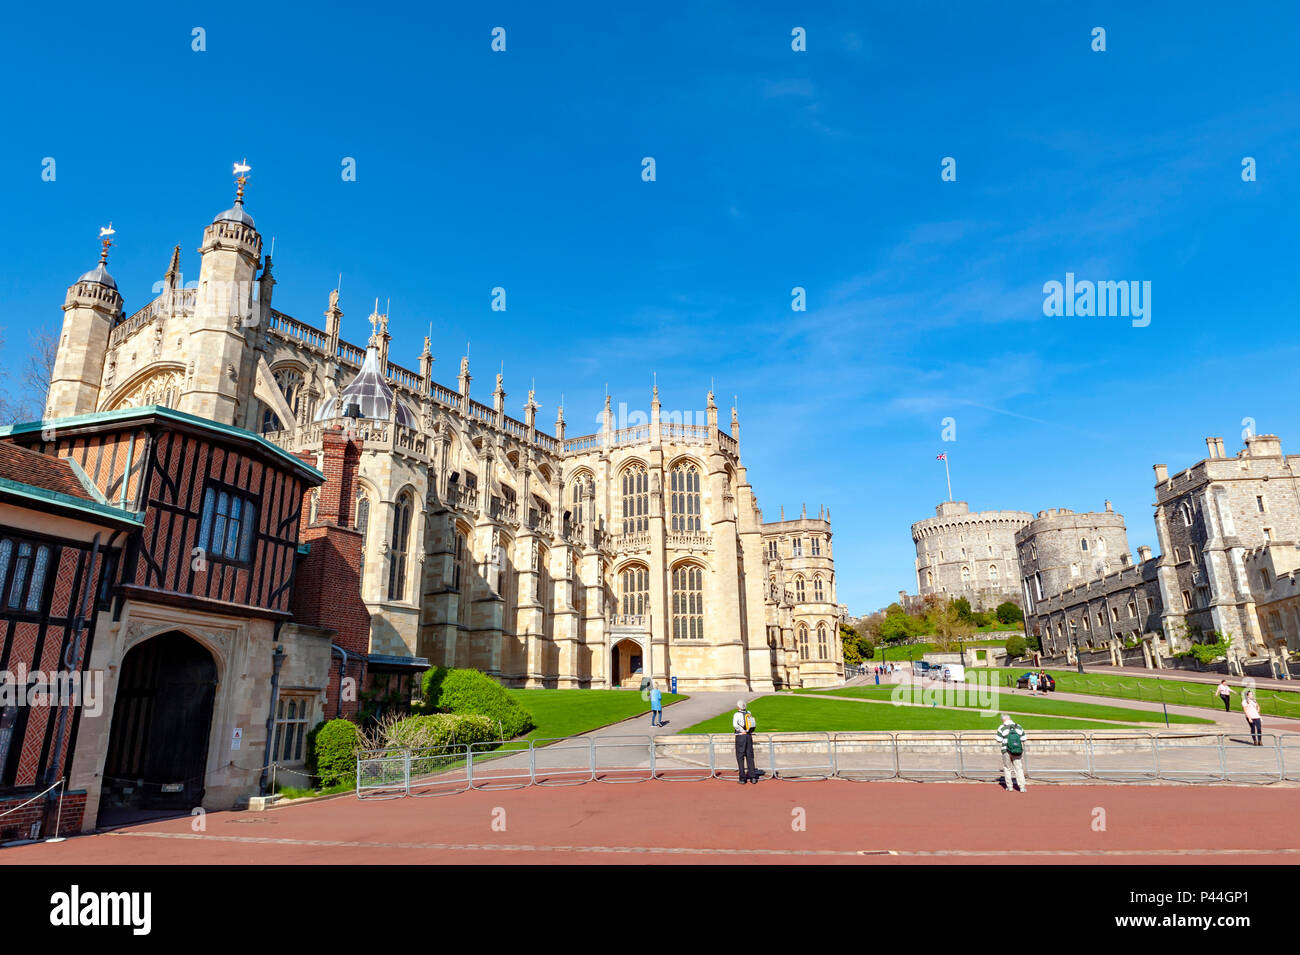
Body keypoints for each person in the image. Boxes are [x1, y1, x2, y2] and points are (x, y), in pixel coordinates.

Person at [996, 713, 1027, 792]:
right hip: (1017, 750)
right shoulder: (1018, 726)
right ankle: (1022, 787)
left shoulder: (1001, 727)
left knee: (1007, 768)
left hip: (1006, 750)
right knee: (1018, 768)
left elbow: (998, 739)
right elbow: (1024, 738)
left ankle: (1009, 786)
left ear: (1003, 720)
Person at [733, 700, 758, 784]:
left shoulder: (736, 714)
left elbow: (735, 725)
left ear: (738, 707)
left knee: (740, 757)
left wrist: (741, 730)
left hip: (740, 736)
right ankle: (753, 777)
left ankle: (742, 778)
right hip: (748, 736)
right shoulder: (749, 713)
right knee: (750, 756)